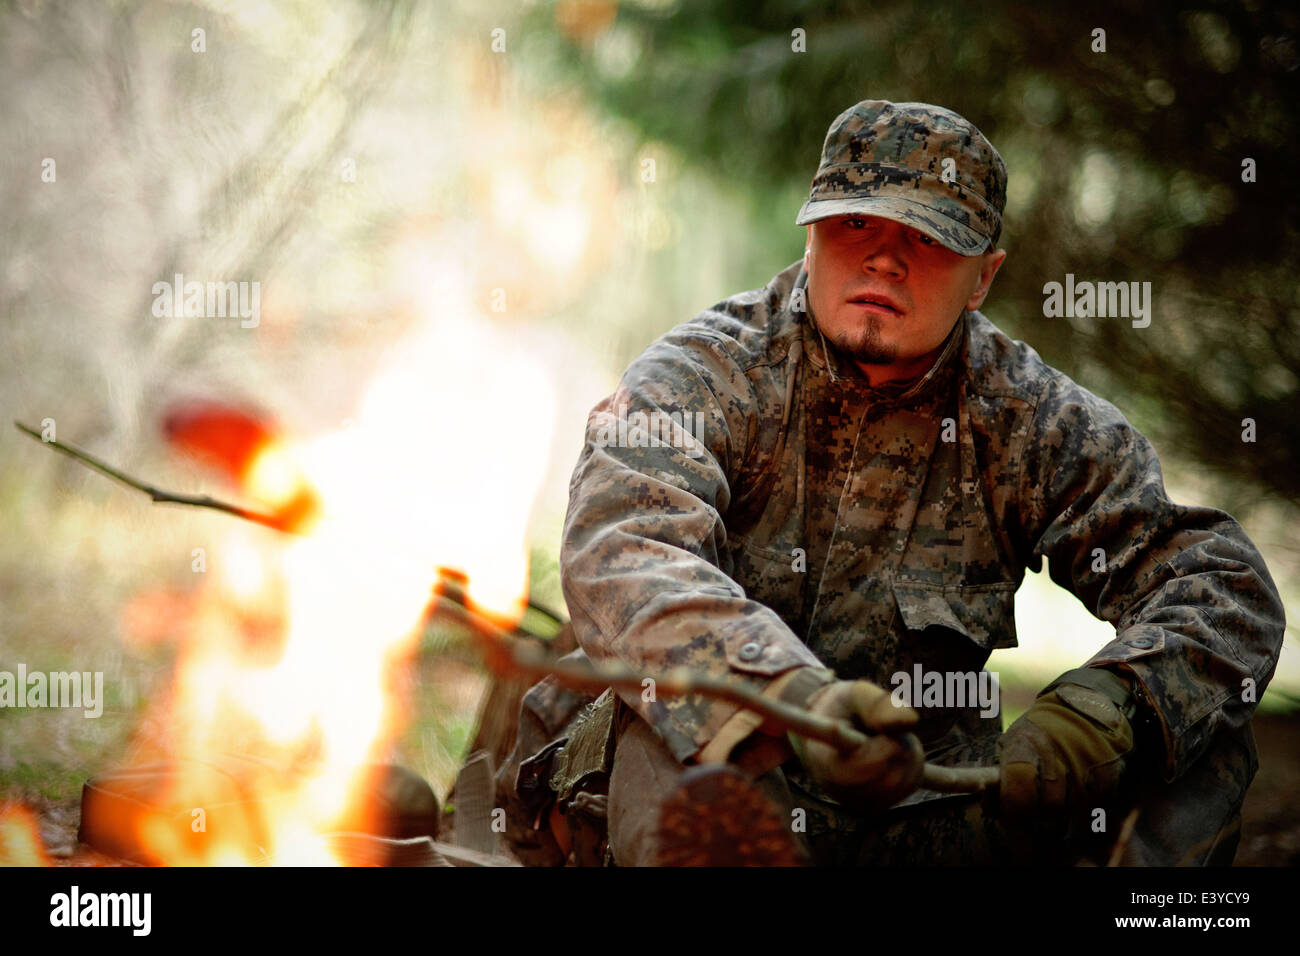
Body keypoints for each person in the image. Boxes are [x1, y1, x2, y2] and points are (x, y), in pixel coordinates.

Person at [500, 99, 1285, 866]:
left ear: (983, 279)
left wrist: (1107, 709)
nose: (884, 258)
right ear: (809, 238)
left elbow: (1219, 583)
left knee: (1194, 729)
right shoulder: (708, 373)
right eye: (855, 224)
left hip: (929, 807)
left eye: (928, 239)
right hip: (732, 787)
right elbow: (625, 550)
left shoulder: (1027, 417)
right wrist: (793, 698)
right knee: (677, 729)